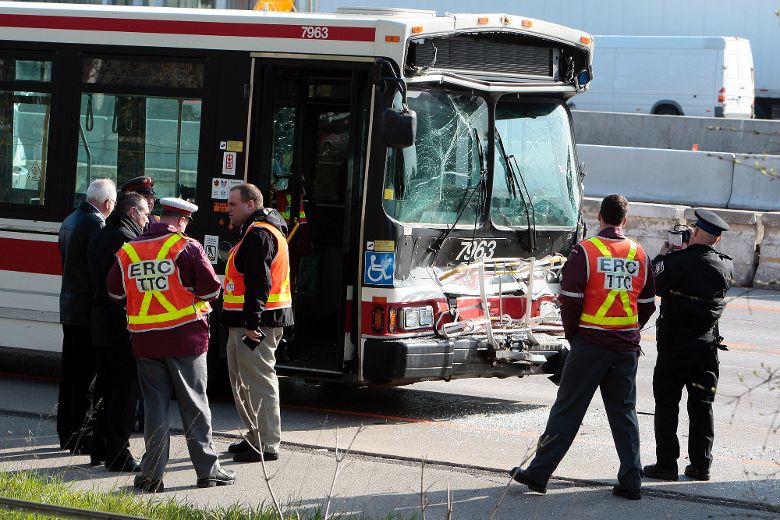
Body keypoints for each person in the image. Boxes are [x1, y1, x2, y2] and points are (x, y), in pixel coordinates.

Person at [510, 194, 656, 500]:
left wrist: (575, 338)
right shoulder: (639, 254)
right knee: (624, 413)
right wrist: (628, 331)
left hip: (590, 343)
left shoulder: (586, 251)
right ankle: (631, 480)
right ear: (625, 220)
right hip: (625, 348)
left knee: (567, 410)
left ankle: (538, 475)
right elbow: (646, 305)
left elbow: (570, 302)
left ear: (599, 216)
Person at [106, 197, 234, 492]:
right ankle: (208, 471)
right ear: (181, 221)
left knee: (154, 410)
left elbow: (114, 292)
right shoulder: (187, 247)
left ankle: (151, 476)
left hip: (146, 342)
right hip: (186, 340)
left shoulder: (128, 251)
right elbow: (211, 289)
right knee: (195, 406)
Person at [643, 209, 733, 482]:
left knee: (668, 403)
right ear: (717, 241)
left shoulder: (677, 261)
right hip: (707, 347)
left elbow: (652, 284)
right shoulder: (726, 265)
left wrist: (664, 254)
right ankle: (701, 464)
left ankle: (667, 464)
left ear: (693, 232)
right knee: (702, 405)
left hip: (675, 346)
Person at [222, 183, 293, 463]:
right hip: (249, 319)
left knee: (258, 380)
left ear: (250, 204)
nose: (227, 209)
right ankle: (255, 436)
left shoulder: (259, 233)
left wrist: (252, 321)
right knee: (243, 379)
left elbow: (259, 282)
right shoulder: (258, 231)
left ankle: (266, 443)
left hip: (255, 321)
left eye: (233, 204)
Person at [87, 192, 149, 471]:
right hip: (120, 325)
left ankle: (99, 448)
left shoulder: (100, 233)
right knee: (124, 393)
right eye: (146, 213)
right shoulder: (128, 242)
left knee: (104, 388)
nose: (148, 219)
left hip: (100, 322)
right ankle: (118, 454)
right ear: (134, 212)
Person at [57, 178, 116, 453]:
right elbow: (97, 270)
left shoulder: (70, 218)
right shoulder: (97, 224)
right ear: (107, 203)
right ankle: (79, 435)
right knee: (85, 378)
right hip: (87, 312)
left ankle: (65, 430)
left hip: (69, 307)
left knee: (70, 374)